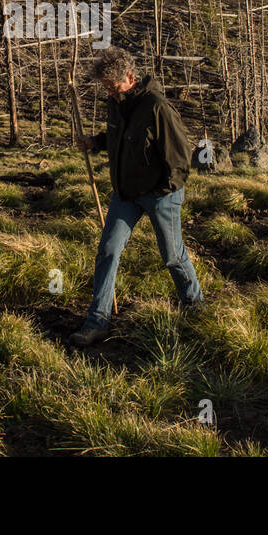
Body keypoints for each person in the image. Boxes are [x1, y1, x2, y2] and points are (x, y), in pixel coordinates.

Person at [70, 47, 202, 346]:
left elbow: (180, 156)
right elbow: (119, 140)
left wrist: (165, 190)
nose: (110, 93)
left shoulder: (157, 107)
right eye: (105, 87)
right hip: (125, 194)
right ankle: (97, 321)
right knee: (108, 250)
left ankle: (196, 308)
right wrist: (95, 142)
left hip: (160, 195)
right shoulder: (116, 104)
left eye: (113, 87)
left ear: (129, 77)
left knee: (172, 255)